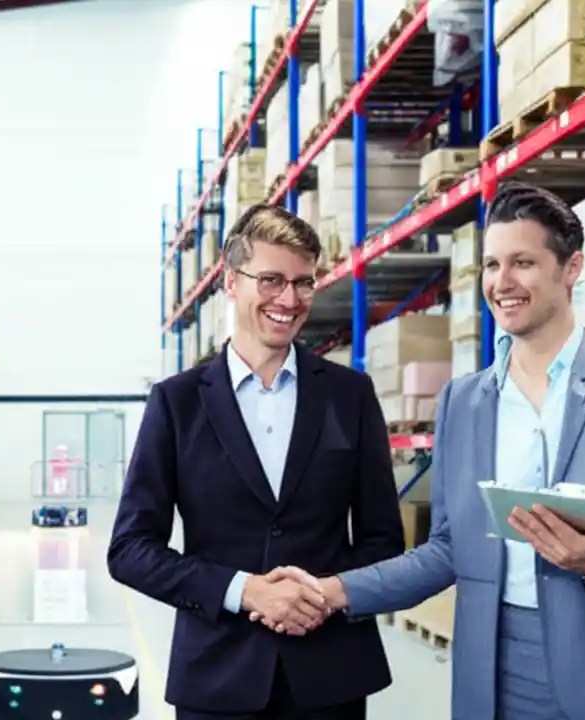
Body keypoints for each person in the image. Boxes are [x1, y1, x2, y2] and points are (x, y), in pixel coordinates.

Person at [264, 180, 585, 719]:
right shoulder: (465, 402)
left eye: (523, 263)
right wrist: (331, 592)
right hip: (497, 675)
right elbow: (447, 549)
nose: (502, 282)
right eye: (491, 265)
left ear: (572, 268)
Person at [107, 204, 405, 720]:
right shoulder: (177, 404)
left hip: (329, 677)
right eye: (270, 280)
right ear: (231, 283)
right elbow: (131, 549)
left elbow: (383, 539)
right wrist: (241, 591)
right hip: (218, 679)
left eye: (303, 283)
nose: (288, 300)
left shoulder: (349, 396)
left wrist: (324, 596)